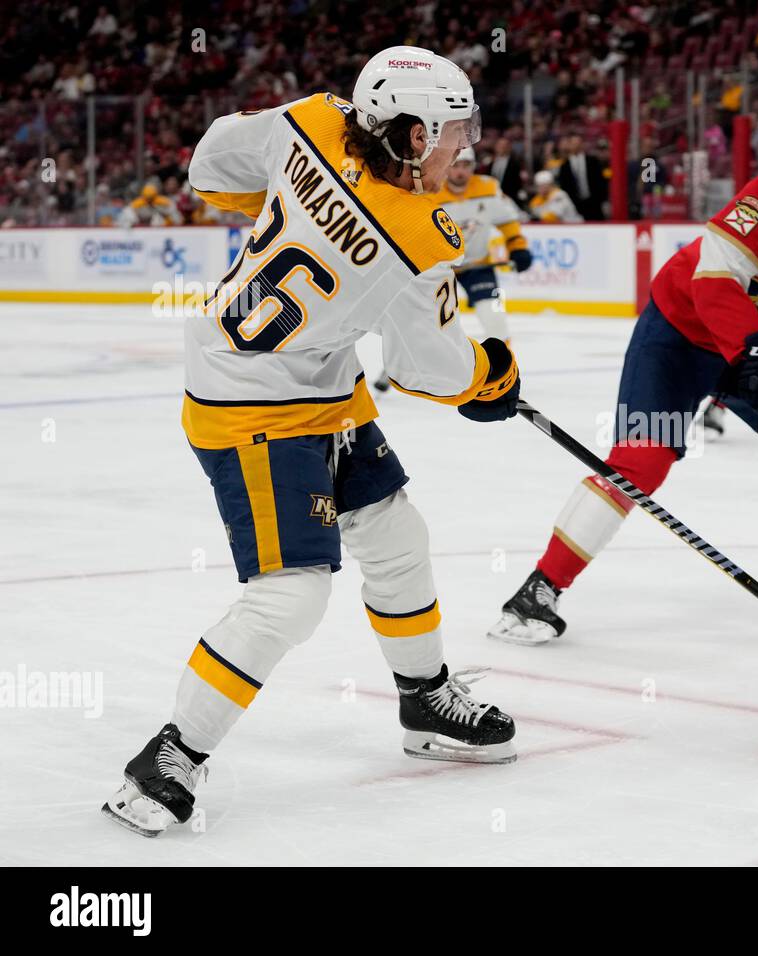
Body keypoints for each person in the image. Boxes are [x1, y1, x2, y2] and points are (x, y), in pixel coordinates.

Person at [102, 46, 521, 839]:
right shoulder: (418, 234)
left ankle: (424, 697)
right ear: (404, 132)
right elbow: (428, 370)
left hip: (311, 380)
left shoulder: (311, 120)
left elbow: (211, 165)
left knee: (396, 533)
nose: (464, 148)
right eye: (450, 132)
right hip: (250, 401)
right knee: (292, 591)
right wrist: (489, 378)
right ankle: (168, 758)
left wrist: (301, 198)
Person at [489, 134, 758, 644]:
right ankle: (538, 592)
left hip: (753, 356)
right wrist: (752, 349)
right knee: (641, 462)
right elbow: (715, 278)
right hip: (678, 339)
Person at [428, 147, 533, 343]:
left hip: (479, 266)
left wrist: (518, 247)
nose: (460, 171)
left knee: (496, 319)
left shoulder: (489, 188)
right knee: (424, 323)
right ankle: (397, 371)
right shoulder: (430, 190)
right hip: (439, 270)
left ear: (474, 166)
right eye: (455, 165)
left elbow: (508, 221)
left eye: (466, 165)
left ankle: (502, 367)